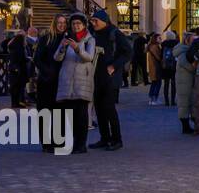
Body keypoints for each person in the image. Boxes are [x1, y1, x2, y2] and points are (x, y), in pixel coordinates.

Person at [53, 13, 97, 155]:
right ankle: (70, 143)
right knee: (69, 115)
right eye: (73, 24)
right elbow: (57, 58)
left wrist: (77, 48)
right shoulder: (66, 38)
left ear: (84, 25)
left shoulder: (89, 39)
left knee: (81, 115)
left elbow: (89, 57)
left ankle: (81, 145)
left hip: (82, 80)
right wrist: (63, 48)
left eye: (79, 23)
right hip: (67, 80)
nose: (76, 26)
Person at [89, 9, 131, 151]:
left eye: (96, 21)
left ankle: (117, 139)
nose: (93, 23)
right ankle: (104, 138)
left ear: (104, 21)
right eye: (92, 21)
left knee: (109, 108)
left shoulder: (115, 33)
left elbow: (127, 52)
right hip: (96, 75)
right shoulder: (94, 33)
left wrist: (114, 65)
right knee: (99, 109)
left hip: (111, 76)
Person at [33, 15, 69, 153]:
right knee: (44, 111)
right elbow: (37, 59)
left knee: (59, 112)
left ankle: (59, 141)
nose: (61, 25)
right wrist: (47, 72)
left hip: (62, 80)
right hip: (46, 80)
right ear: (54, 23)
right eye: (59, 22)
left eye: (64, 23)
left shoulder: (67, 39)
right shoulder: (46, 39)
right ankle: (46, 143)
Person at [173, 31, 197, 134]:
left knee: (190, 102)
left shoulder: (185, 51)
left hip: (187, 81)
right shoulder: (183, 53)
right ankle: (185, 127)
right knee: (184, 104)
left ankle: (194, 125)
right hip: (184, 82)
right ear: (187, 41)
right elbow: (189, 67)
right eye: (193, 40)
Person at [6, 27, 32, 108]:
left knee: (15, 87)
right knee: (17, 86)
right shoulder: (19, 47)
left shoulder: (12, 45)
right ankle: (16, 103)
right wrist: (28, 59)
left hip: (13, 69)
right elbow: (21, 58)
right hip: (18, 69)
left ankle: (16, 102)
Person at [160, 30, 179, 107]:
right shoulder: (177, 43)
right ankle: (172, 100)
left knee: (166, 84)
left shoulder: (163, 44)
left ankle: (166, 101)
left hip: (166, 66)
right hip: (174, 65)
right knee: (174, 84)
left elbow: (161, 55)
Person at [146, 33, 163, 104]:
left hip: (153, 67)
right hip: (156, 67)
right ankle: (154, 99)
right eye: (159, 38)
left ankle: (151, 98)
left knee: (154, 83)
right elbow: (159, 57)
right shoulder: (155, 47)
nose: (161, 39)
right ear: (155, 39)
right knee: (158, 83)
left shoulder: (151, 46)